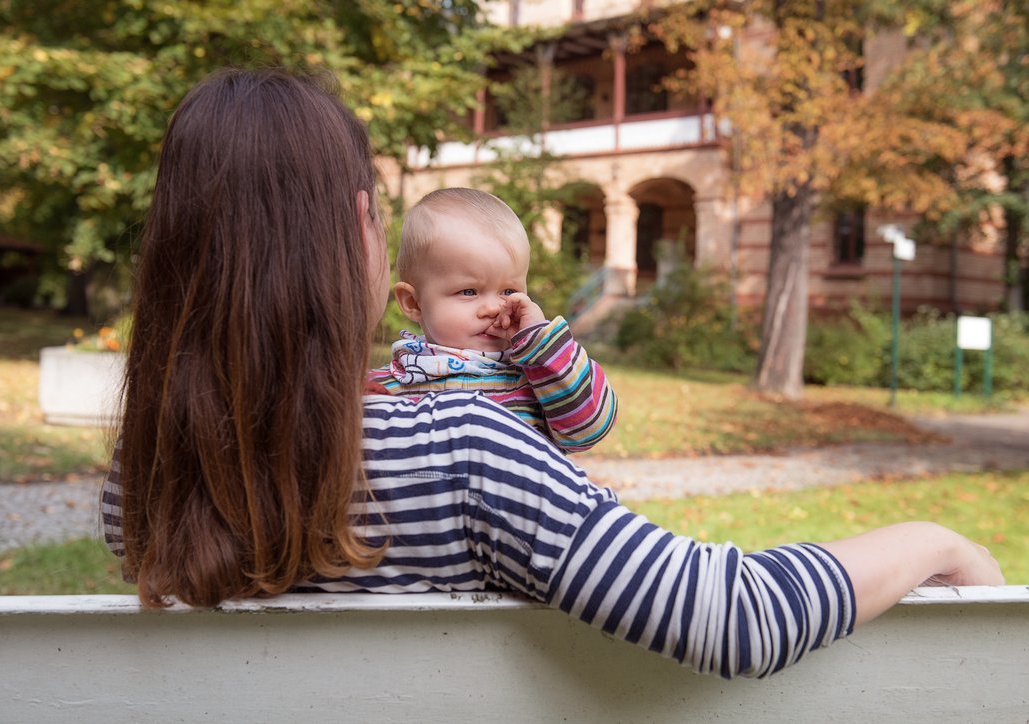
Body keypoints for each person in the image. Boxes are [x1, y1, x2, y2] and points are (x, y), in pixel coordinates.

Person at [101, 67, 1003, 680]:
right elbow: (733, 619)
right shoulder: (456, 444)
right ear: (356, 231)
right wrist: (938, 541)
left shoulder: (142, 479)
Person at [368, 187, 616, 453]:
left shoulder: (536, 379)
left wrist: (541, 342)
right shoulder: (389, 386)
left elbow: (589, 429)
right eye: (468, 291)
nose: (493, 308)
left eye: (508, 292)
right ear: (413, 303)